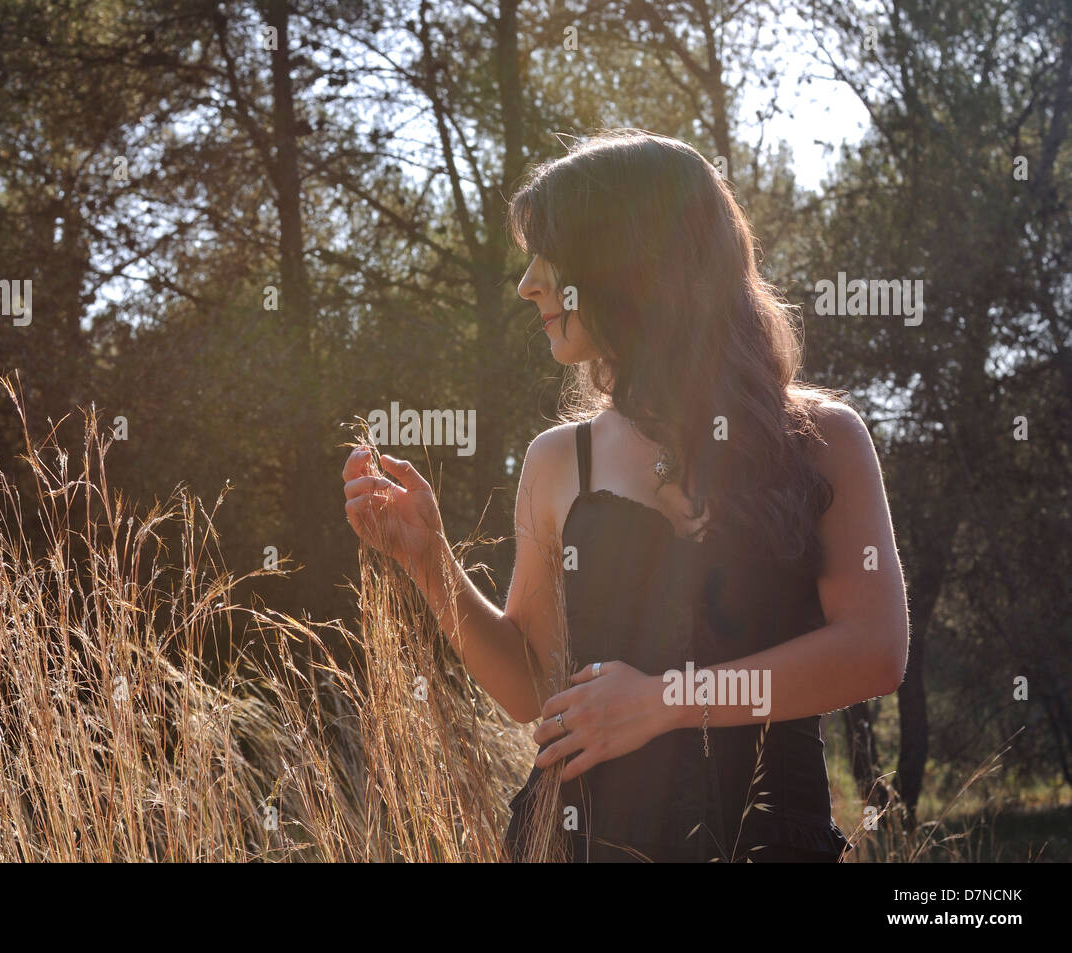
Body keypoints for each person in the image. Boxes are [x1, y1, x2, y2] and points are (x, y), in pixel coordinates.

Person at [342, 129, 909, 862]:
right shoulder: (558, 461)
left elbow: (874, 650)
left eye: (554, 256)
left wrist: (665, 701)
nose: (528, 284)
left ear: (630, 266)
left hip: (769, 842)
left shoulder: (821, 437)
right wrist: (428, 561)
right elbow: (528, 688)